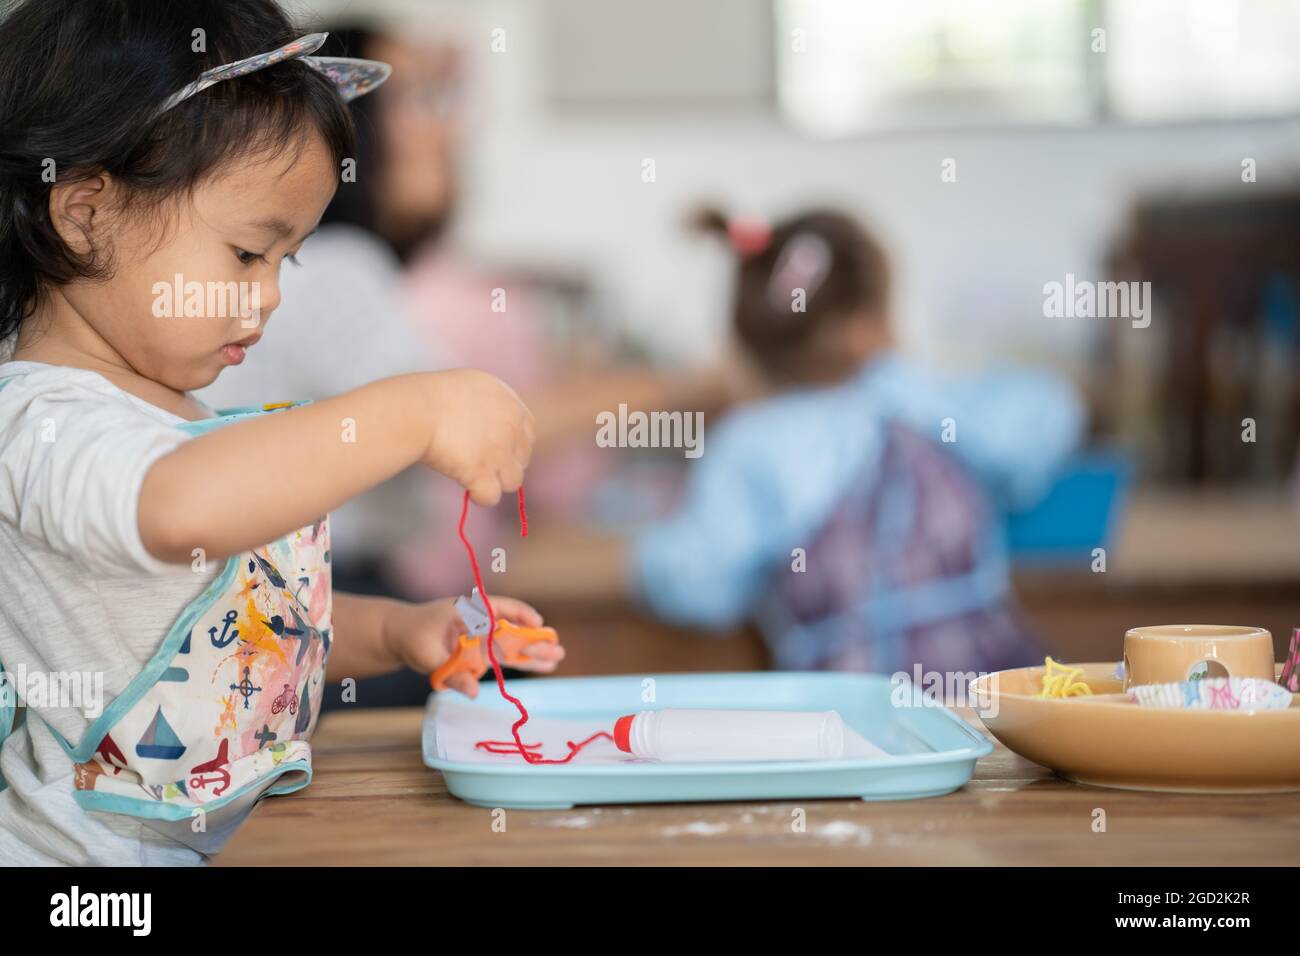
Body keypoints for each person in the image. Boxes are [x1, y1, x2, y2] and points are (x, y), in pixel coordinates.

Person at [0, 0, 559, 865]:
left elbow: (243, 629)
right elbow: (180, 507)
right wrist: (414, 410)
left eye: (286, 259)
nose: (268, 297)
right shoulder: (37, 422)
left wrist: (405, 632)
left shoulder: (173, 417)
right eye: (245, 253)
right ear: (85, 213)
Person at [504, 207, 1085, 676]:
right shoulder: (932, 407)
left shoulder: (755, 446)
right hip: (1000, 710)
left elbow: (694, 584)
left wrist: (645, 552)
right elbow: (1052, 416)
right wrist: (900, 377)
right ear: (878, 322)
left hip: (851, 729)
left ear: (744, 351)